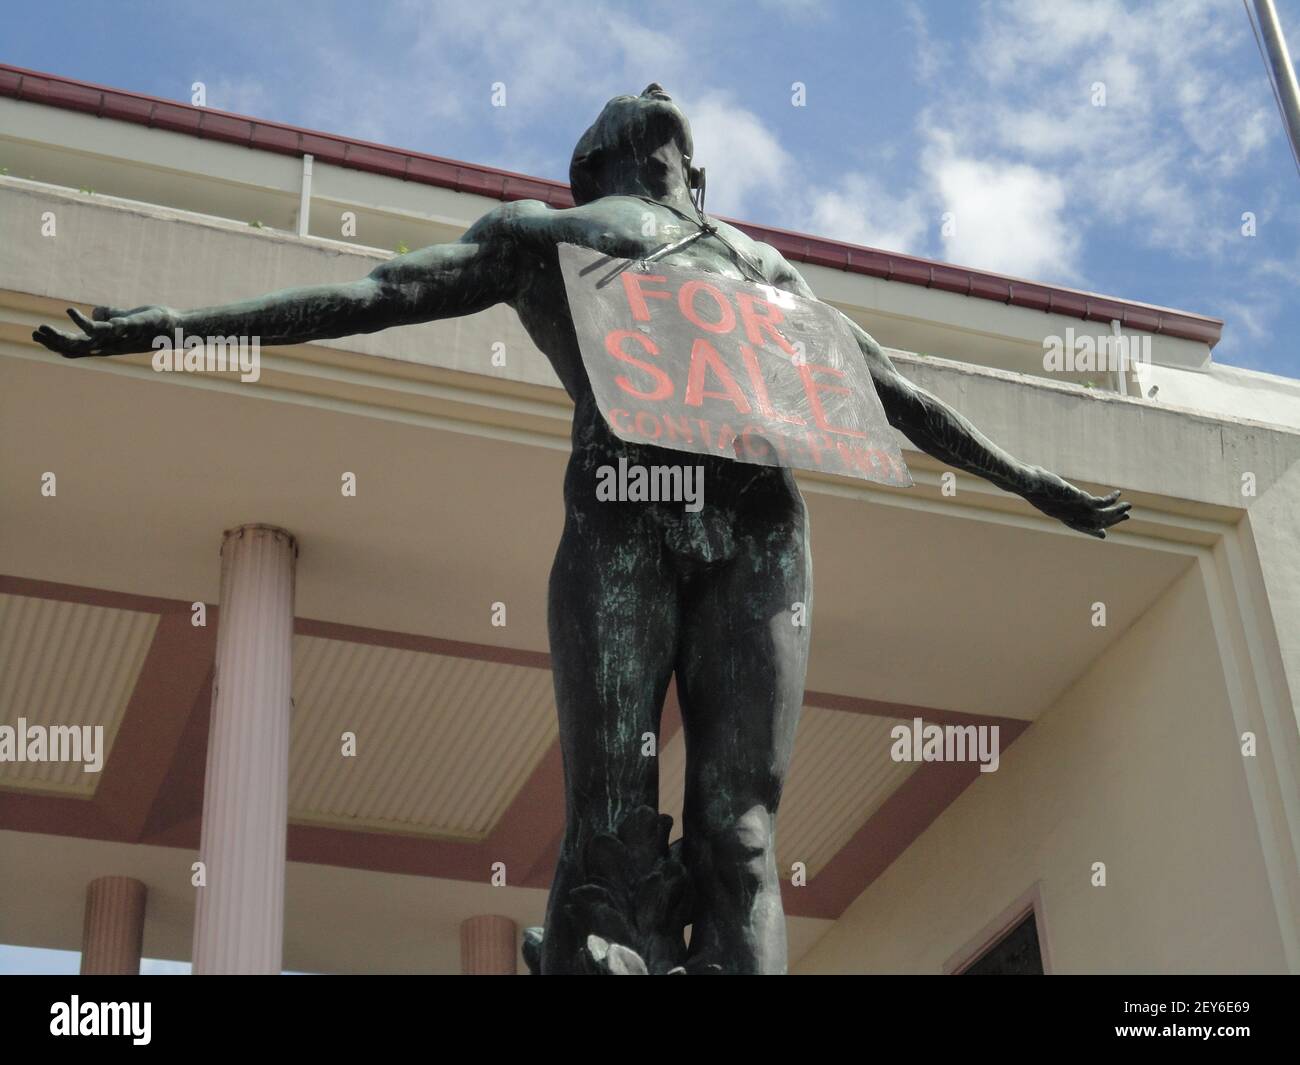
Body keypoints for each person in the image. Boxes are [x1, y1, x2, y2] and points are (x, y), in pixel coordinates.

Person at [34, 83, 1130, 973]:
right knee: (610, 834)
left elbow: (892, 392)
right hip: (622, 525)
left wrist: (1033, 480)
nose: (650, 91)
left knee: (742, 836)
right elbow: (379, 290)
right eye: (623, 108)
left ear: (697, 172)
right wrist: (183, 326)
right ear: (598, 163)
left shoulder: (767, 272)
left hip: (757, 531)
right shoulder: (544, 237)